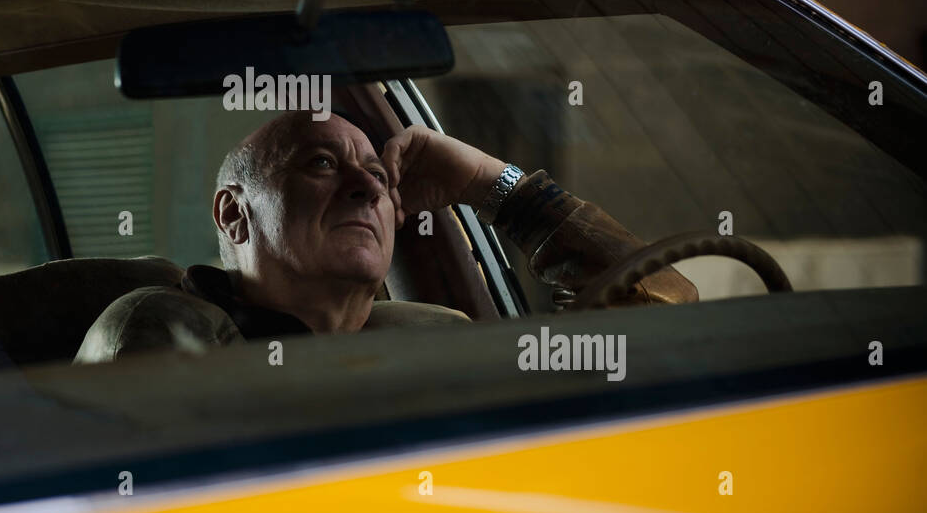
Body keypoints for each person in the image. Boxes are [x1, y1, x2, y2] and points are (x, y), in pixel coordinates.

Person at [74, 112, 696, 362]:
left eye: (378, 174)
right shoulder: (159, 338)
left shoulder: (439, 342)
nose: (368, 189)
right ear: (235, 215)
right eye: (321, 164)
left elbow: (661, 320)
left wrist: (489, 183)